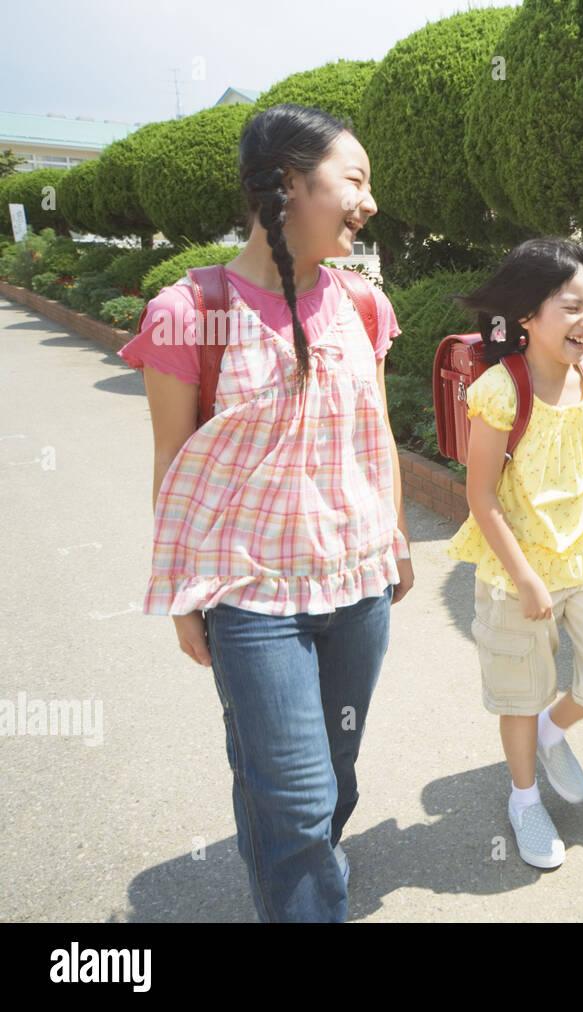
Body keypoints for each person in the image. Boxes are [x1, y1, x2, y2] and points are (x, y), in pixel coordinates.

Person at [118, 104, 414, 921]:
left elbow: (375, 432)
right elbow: (175, 465)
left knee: (334, 780)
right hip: (251, 600)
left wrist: (396, 539)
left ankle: (300, 862)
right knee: (298, 795)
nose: (370, 201)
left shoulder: (362, 305)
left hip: (358, 587)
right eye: (353, 179)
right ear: (287, 183)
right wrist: (183, 592)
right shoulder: (190, 311)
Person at [447, 238, 583, 869]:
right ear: (528, 315)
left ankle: (554, 733)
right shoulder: (499, 391)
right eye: (571, 306)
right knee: (519, 695)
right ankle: (525, 798)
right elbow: (481, 497)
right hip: (518, 571)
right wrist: (526, 578)